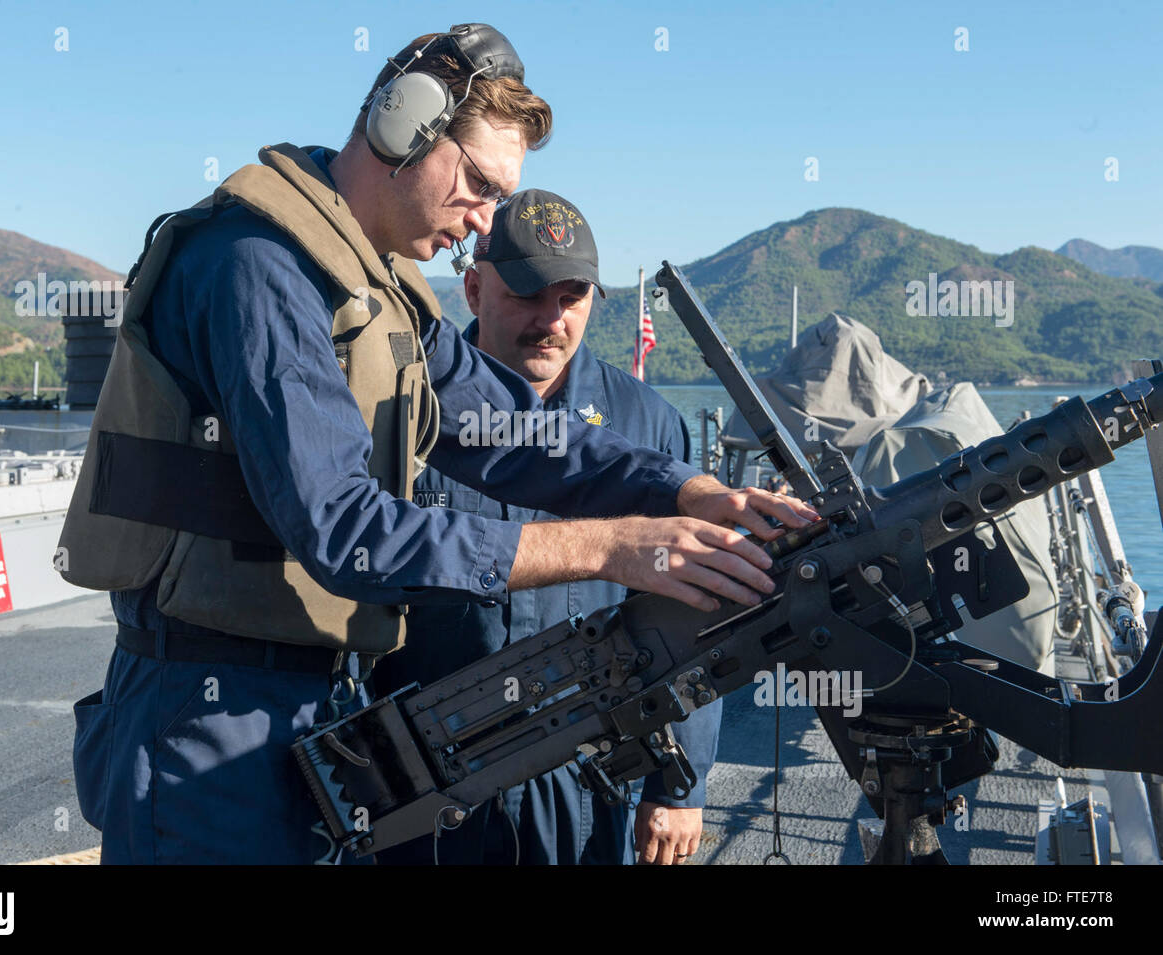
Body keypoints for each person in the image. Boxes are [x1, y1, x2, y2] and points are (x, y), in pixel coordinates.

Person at [59, 23, 817, 864]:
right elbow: (347, 529)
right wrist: (612, 547)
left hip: (312, 707)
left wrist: (686, 493)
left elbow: (519, 435)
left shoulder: (378, 286)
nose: (487, 222)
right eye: (481, 185)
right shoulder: (257, 266)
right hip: (206, 715)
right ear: (405, 128)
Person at [373, 190, 724, 866]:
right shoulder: (401, 409)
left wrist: (679, 781)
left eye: (572, 297)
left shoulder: (648, 425)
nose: (552, 320)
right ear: (473, 288)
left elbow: (694, 615)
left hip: (588, 784)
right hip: (427, 787)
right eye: (528, 294)